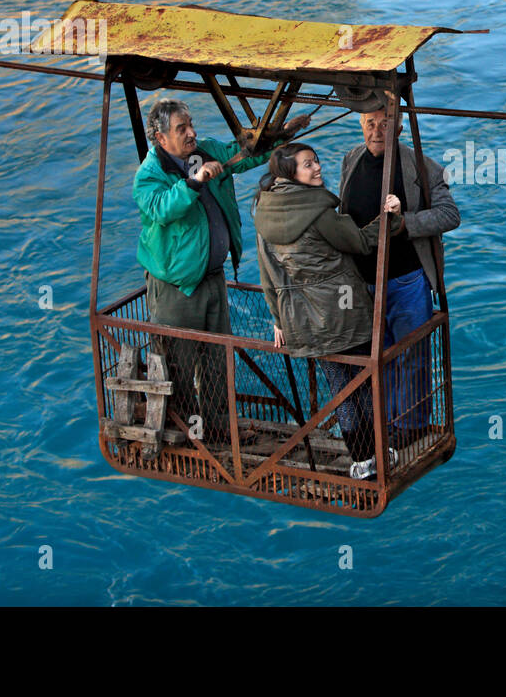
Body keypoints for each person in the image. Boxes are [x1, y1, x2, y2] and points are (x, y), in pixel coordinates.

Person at [134, 98, 309, 445]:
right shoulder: (148, 176)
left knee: (217, 360)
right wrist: (194, 182)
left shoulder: (206, 151)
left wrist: (280, 139)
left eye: (191, 124)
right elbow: (162, 208)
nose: (192, 133)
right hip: (176, 287)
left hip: (212, 276)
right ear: (160, 137)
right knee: (179, 363)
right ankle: (183, 431)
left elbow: (245, 156)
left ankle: (217, 425)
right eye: (182, 128)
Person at [254, 141, 405, 480]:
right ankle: (380, 452)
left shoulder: (264, 210)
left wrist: (278, 319)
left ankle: (361, 459)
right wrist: (389, 219)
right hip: (343, 309)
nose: (317, 167)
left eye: (316, 161)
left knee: (341, 387)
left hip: (303, 319)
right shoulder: (317, 211)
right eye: (308, 164)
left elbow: (269, 273)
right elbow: (362, 243)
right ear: (291, 172)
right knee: (363, 382)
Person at [339, 96, 460, 448]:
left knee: (410, 354)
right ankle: (386, 422)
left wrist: (406, 222)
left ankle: (411, 425)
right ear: (361, 126)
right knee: (378, 354)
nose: (376, 131)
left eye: (384, 123)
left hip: (407, 278)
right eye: (370, 124)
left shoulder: (422, 167)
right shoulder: (350, 160)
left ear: (400, 127)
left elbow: (449, 215)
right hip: (363, 282)